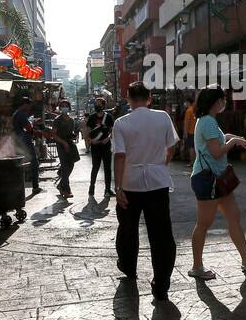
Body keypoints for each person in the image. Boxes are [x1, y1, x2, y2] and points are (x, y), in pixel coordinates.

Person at [188, 85, 246, 282]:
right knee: (204, 223)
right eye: (222, 99)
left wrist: (232, 137)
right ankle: (197, 266)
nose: (224, 102)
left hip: (218, 178)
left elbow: (216, 142)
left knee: (234, 215)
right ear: (213, 102)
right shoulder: (207, 121)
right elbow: (216, 152)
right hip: (208, 179)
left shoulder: (209, 121)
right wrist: (232, 143)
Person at [112, 82, 179, 300]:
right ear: (149, 98)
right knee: (161, 235)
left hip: (130, 184)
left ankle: (129, 267)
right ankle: (161, 283)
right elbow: (171, 146)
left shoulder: (121, 123)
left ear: (128, 98)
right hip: (157, 183)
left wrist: (118, 186)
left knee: (127, 229)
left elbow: (119, 155)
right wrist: (161, 163)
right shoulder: (163, 117)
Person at [83, 96, 115, 198]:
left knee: (107, 168)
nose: (97, 105)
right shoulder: (92, 117)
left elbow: (112, 130)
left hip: (106, 145)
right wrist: (90, 141)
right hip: (95, 146)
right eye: (96, 104)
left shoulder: (108, 117)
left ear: (103, 105)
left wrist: (108, 138)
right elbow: (87, 131)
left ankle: (107, 189)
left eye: (99, 104)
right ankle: (91, 187)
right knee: (95, 167)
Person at [11, 97, 41, 195]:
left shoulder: (16, 113)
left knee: (19, 165)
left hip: (18, 142)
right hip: (25, 142)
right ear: (25, 104)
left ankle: (18, 189)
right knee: (34, 163)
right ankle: (35, 187)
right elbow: (28, 127)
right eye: (28, 106)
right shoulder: (22, 114)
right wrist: (33, 124)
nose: (29, 108)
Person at [50, 98, 79, 199]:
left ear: (69, 108)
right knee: (65, 166)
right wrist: (63, 143)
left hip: (70, 144)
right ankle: (66, 189)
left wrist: (73, 136)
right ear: (60, 108)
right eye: (62, 106)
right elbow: (54, 134)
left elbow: (71, 133)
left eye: (66, 106)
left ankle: (61, 185)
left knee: (71, 165)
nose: (64, 108)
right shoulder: (57, 120)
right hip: (61, 145)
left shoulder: (71, 120)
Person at [181, 95, 197, 164]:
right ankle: (195, 162)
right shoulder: (195, 110)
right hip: (196, 131)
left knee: (191, 147)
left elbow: (186, 123)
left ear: (188, 102)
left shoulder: (188, 111)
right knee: (195, 147)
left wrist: (185, 133)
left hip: (190, 131)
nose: (185, 104)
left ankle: (192, 162)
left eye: (186, 102)